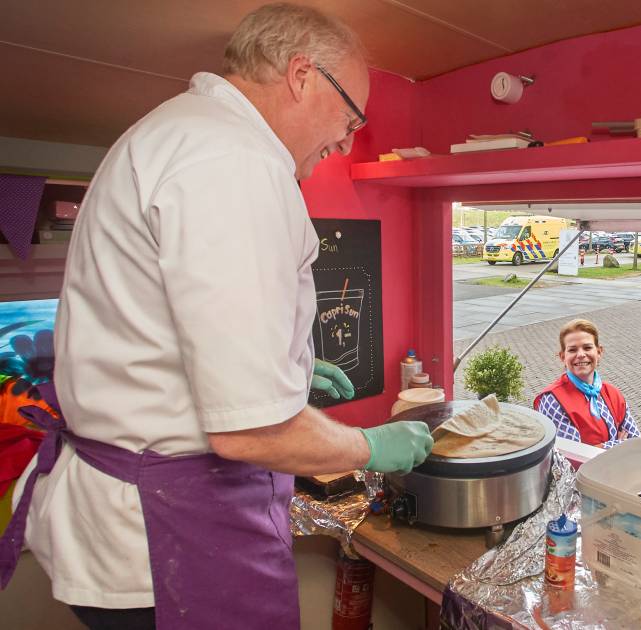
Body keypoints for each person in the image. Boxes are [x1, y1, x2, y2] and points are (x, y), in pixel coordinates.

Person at [0, 6, 436, 629]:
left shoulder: (179, 132)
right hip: (165, 539)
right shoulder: (233, 163)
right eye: (351, 116)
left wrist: (290, 367)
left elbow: (167, 331)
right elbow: (250, 433)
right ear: (302, 74)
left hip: (133, 521)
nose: (347, 140)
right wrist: (369, 445)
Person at [535, 319, 640, 449]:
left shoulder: (613, 393)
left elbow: (636, 444)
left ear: (599, 352)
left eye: (587, 347)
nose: (580, 354)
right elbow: (571, 458)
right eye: (572, 350)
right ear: (562, 356)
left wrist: (597, 447)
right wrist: (618, 444)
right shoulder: (553, 400)